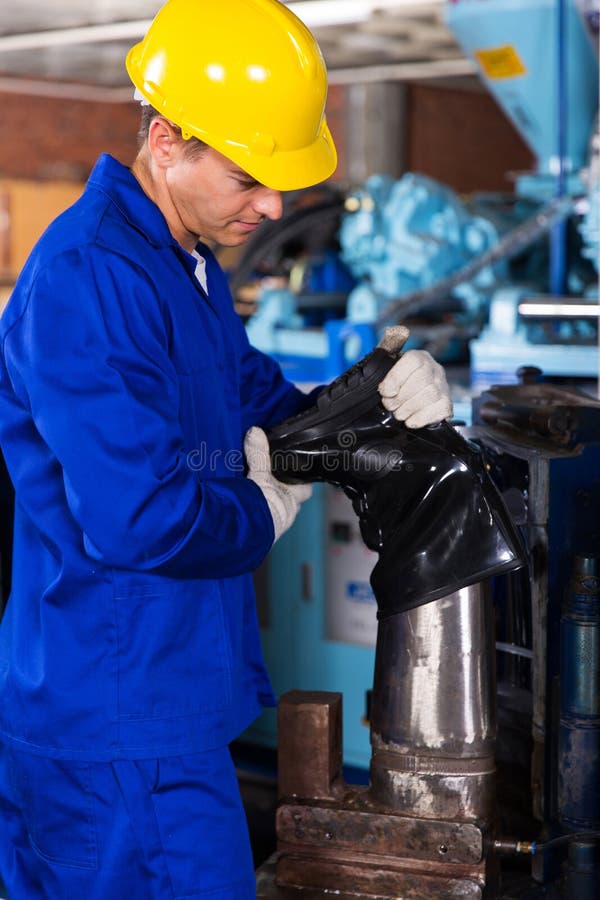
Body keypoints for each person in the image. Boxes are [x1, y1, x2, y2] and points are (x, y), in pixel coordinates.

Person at [0, 0, 452, 897]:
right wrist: (263, 508)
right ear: (167, 140)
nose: (274, 206)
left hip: (167, 703)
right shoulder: (91, 279)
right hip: (118, 727)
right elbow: (141, 520)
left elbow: (267, 405)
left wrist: (374, 401)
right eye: (249, 177)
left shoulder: (184, 262)